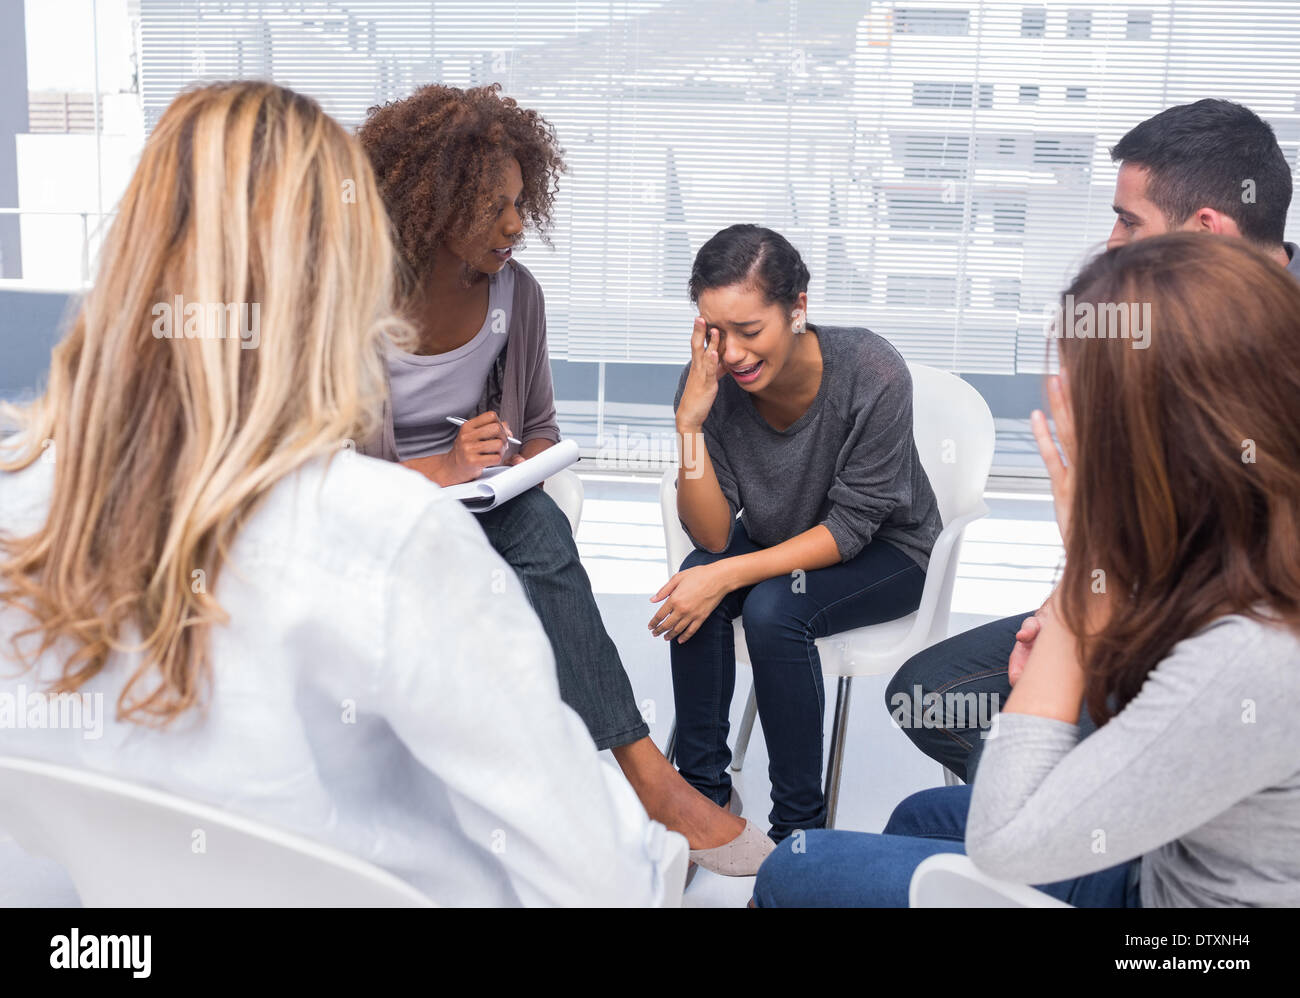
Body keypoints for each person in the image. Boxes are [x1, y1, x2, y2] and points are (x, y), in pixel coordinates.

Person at [0, 81, 676, 906]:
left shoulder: (21, 510)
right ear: (341, 276)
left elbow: (38, 836)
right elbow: (602, 883)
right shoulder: (393, 543)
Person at [758, 233, 1300, 907]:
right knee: (920, 822)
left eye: (1087, 408)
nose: (1065, 427)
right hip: (1171, 851)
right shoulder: (1239, 541)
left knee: (794, 869)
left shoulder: (1252, 653)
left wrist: (1084, 574)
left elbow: (1005, 838)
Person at [354, 83, 751, 870]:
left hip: (473, 498)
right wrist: (441, 465)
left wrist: (513, 461)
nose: (515, 224)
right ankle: (636, 787)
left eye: (517, 201)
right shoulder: (354, 296)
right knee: (528, 543)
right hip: (368, 504)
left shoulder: (514, 293)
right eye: (492, 207)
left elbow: (539, 427)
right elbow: (317, 458)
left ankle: (641, 778)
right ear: (430, 206)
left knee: (536, 526)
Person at [887, 97, 1300, 782]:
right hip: (1145, 595)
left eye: (1127, 219)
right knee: (930, 700)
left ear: (1206, 229)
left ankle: (1099, 835)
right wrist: (1077, 598)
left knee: (1030, 759)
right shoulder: (1161, 323)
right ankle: (1074, 842)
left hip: (1230, 647)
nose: (1112, 241)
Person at [657, 224, 943, 850]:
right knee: (696, 590)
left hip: (889, 551)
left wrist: (729, 572)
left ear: (798, 309)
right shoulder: (708, 385)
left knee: (771, 606)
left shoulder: (873, 371)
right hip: (781, 543)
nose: (730, 353)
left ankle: (799, 837)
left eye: (749, 330)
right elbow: (709, 531)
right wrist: (689, 425)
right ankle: (702, 798)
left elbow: (849, 528)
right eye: (713, 331)